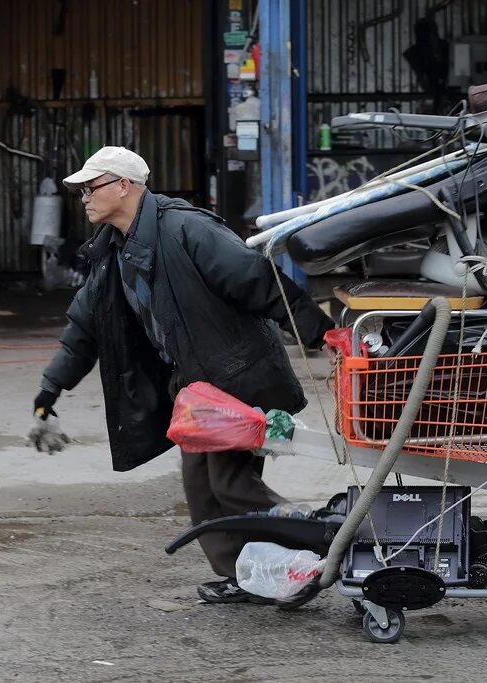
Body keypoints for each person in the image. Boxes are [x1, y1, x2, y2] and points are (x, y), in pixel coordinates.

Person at [32, 146, 334, 604]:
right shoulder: (113, 252)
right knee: (202, 489)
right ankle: (249, 576)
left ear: (123, 187)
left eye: (91, 188)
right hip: (196, 390)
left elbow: (257, 280)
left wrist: (320, 333)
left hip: (240, 379)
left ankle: (328, 540)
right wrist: (48, 392)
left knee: (230, 484)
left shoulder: (186, 228)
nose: (84, 199)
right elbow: (83, 329)